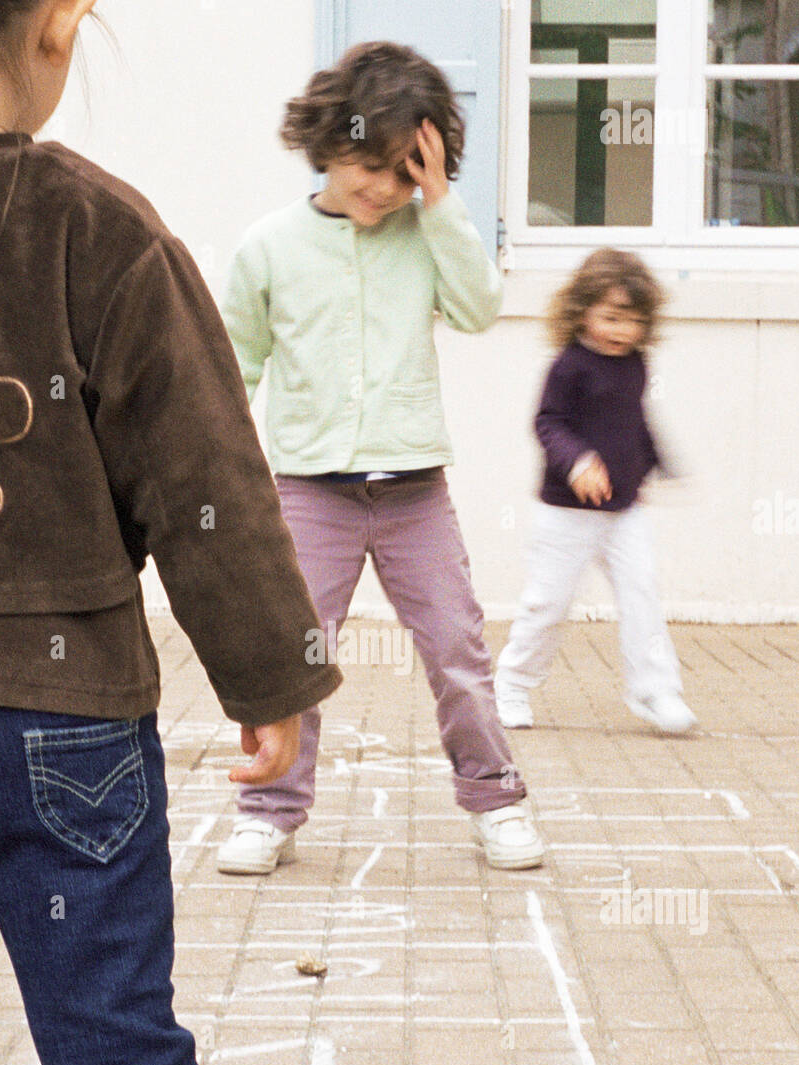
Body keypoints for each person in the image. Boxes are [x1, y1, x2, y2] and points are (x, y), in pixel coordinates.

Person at [0, 0, 343, 1065]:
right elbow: (199, 470)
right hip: (62, 729)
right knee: (114, 1056)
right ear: (53, 29)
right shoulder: (95, 224)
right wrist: (268, 682)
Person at [217, 41, 543, 877]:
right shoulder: (267, 246)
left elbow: (478, 309)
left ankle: (495, 799)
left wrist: (439, 205)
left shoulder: (424, 229)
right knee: (294, 655)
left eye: (405, 174)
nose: (383, 190)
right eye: (370, 167)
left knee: (458, 652)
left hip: (412, 492)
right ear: (326, 140)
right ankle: (269, 810)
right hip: (308, 491)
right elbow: (232, 367)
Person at [494, 248, 697, 736]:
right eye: (609, 318)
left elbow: (635, 420)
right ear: (581, 311)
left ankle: (655, 689)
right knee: (548, 602)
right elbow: (547, 423)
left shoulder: (635, 364)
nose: (621, 331)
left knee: (642, 590)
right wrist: (579, 461)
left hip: (623, 511)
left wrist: (653, 465)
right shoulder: (568, 367)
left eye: (632, 321)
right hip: (567, 512)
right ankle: (512, 683)